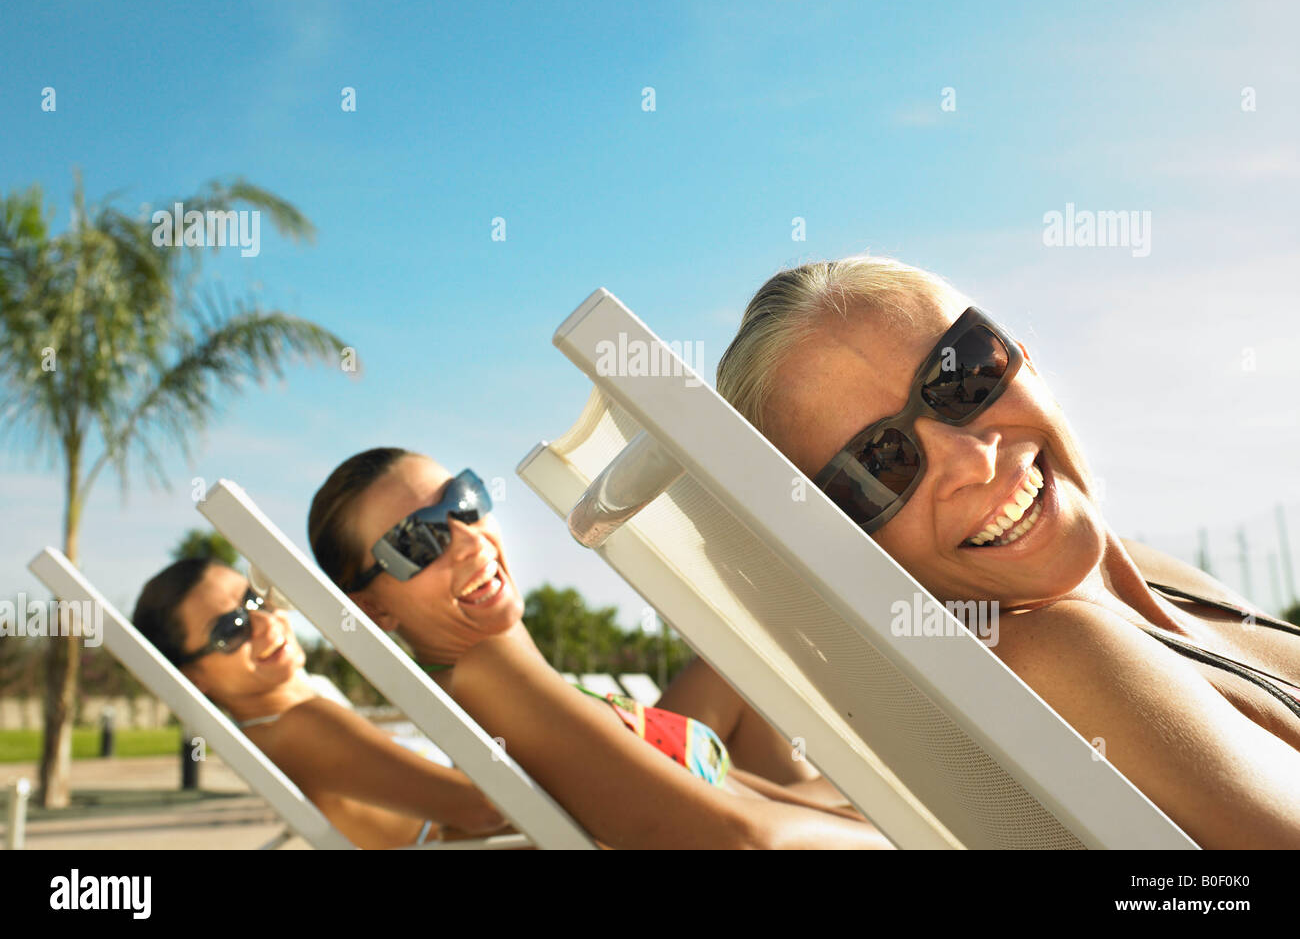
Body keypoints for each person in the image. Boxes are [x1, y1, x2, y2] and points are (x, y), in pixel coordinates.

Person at [714, 252, 1300, 849]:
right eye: (877, 466)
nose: (974, 460)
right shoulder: (1060, 654)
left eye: (963, 374)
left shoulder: (1139, 571)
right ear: (839, 545)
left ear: (1025, 359)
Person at [308, 449, 892, 849]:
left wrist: (869, 813)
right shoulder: (491, 678)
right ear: (373, 608)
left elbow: (745, 802)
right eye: (417, 540)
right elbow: (743, 840)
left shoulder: (496, 680)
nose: (466, 539)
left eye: (461, 503)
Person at [133, 558, 508, 849]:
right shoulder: (302, 725)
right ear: (193, 677)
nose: (265, 623)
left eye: (254, 599)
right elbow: (487, 810)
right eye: (229, 631)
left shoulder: (276, 727)